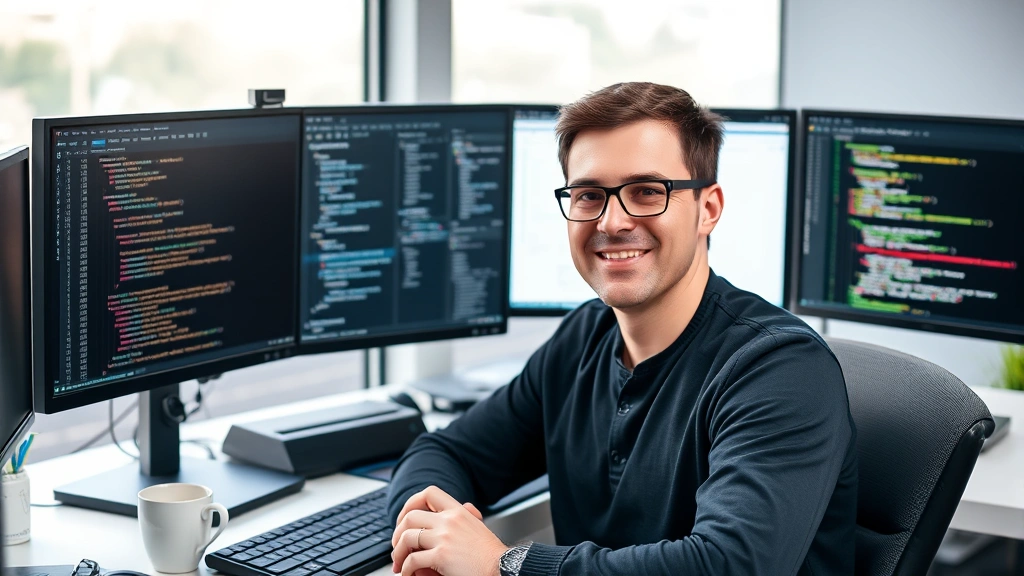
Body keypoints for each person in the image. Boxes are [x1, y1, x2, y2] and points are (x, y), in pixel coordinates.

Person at [387, 82, 857, 576]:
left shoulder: (780, 368)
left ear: (709, 209)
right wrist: (427, 531)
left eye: (647, 192)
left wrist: (504, 564)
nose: (612, 221)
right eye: (589, 195)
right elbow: (446, 450)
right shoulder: (583, 338)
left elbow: (730, 564)